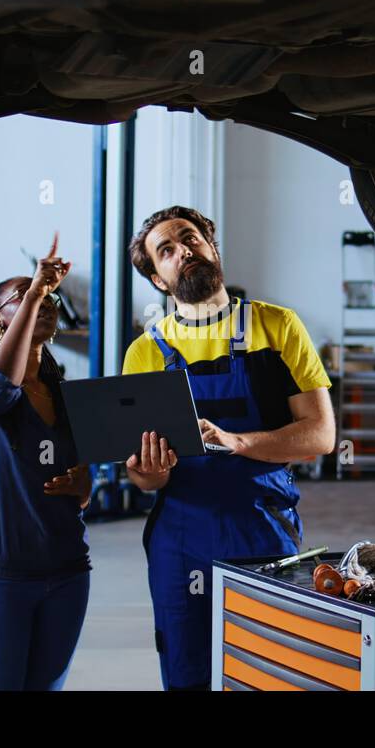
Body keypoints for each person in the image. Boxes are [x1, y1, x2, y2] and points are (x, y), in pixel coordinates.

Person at [121, 206, 335, 690]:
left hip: (261, 528)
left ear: (212, 248)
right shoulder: (146, 352)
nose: (183, 251)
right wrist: (150, 471)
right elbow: (143, 478)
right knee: (187, 668)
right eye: (166, 250)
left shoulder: (276, 327)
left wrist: (237, 442)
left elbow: (321, 435)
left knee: (267, 667)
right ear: (158, 279)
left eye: (190, 238)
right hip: (180, 538)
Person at [0, 234, 93, 690]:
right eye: (27, 295)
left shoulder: (68, 398)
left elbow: (80, 488)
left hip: (67, 575)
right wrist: (36, 291)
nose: (45, 300)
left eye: (49, 297)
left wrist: (84, 486)